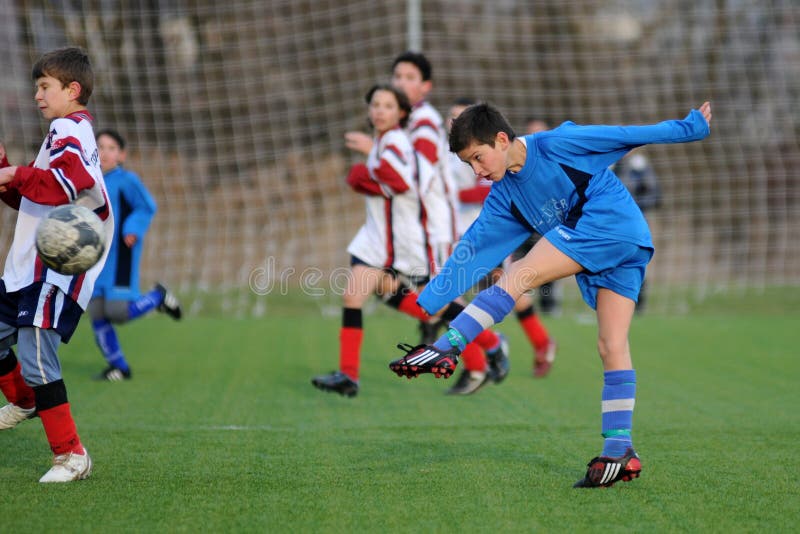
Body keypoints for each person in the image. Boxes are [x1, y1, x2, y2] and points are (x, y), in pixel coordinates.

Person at [389, 101, 713, 487]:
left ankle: (450, 345)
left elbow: (626, 135)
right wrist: (430, 301)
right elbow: (472, 248)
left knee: (518, 274)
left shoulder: (557, 143)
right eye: (468, 165)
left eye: (478, 157)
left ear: (502, 139)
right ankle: (620, 451)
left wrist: (691, 127)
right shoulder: (502, 194)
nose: (476, 170)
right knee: (611, 345)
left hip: (605, 223)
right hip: (627, 244)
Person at [345, 54, 509, 396]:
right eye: (397, 75)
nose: (401, 81)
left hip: (431, 226)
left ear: (424, 86)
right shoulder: (403, 123)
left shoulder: (421, 122)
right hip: (408, 225)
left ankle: (486, 353)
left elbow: (412, 175)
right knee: (386, 287)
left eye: (409, 76)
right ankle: (485, 350)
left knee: (435, 298)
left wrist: (369, 157)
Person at [0, 47, 114, 482]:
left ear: (73, 89)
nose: (37, 95)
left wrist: (13, 175)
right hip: (26, 267)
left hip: (56, 268)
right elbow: (38, 193)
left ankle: (71, 455)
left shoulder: (71, 128)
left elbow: (70, 184)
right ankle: (25, 400)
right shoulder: (60, 133)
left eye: (45, 86)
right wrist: (9, 172)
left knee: (36, 354)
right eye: (36, 87)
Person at [451, 101, 558, 379]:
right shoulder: (455, 154)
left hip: (487, 233)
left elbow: (487, 192)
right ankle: (530, 343)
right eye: (450, 118)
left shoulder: (486, 154)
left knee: (491, 289)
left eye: (459, 116)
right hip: (458, 232)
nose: (454, 123)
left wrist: (451, 196)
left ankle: (481, 357)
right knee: (497, 289)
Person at [89, 128, 182, 381]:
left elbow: (146, 206)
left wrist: (132, 228)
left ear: (122, 155)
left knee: (117, 311)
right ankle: (118, 366)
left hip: (121, 254)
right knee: (96, 310)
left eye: (111, 148)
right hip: (95, 258)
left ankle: (158, 297)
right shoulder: (88, 181)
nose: (105, 153)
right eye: (100, 147)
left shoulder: (127, 180)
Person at [611, 150, 661, 313]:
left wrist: (632, 207)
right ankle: (611, 305)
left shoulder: (639, 166)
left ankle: (638, 305)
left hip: (634, 225)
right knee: (609, 265)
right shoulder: (607, 165)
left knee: (635, 262)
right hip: (610, 225)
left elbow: (655, 195)